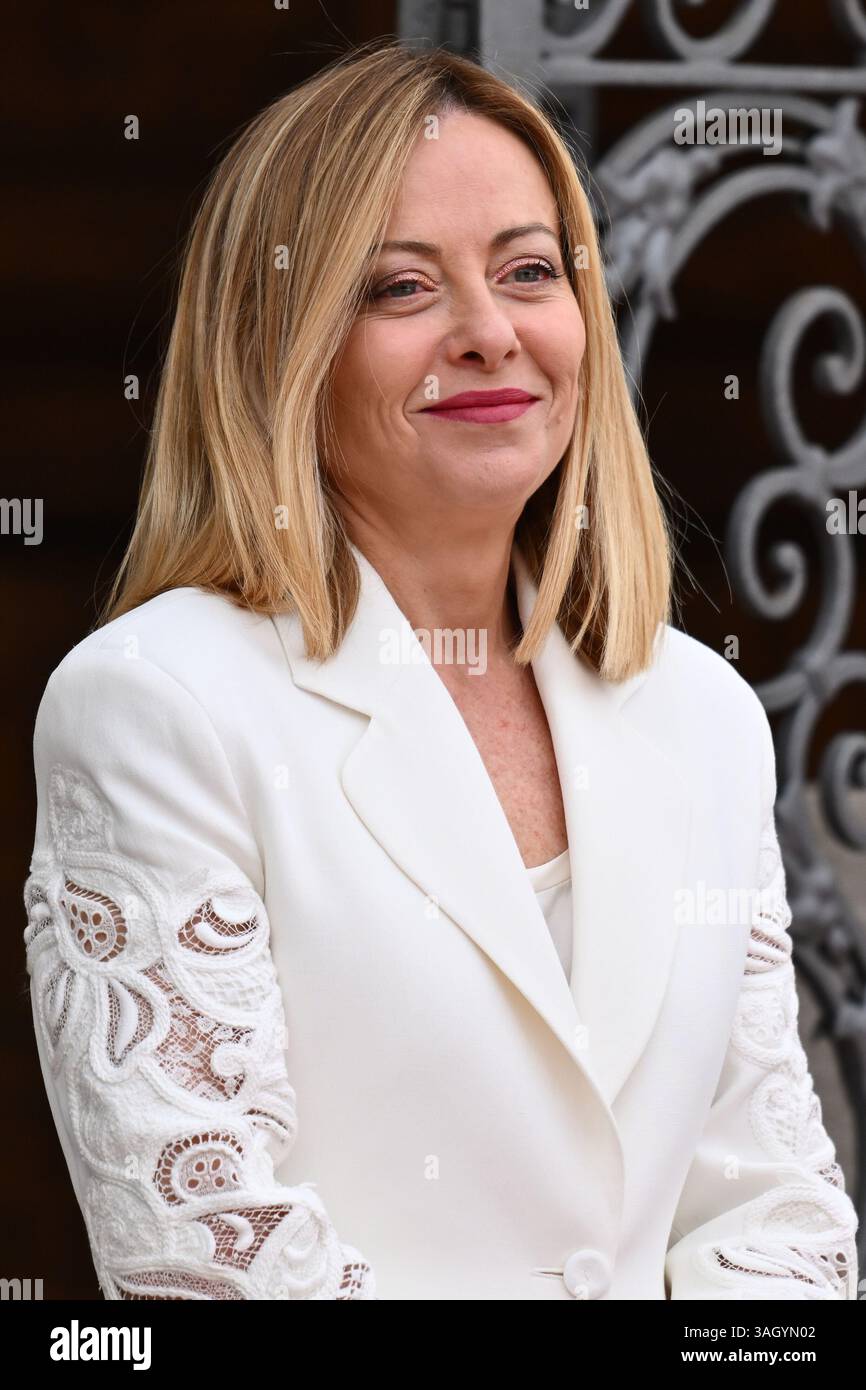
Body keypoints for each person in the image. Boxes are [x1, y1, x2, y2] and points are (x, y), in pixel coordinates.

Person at [22, 39, 858, 1301]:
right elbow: (209, 1255)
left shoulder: (702, 715)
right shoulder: (156, 704)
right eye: (399, 289)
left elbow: (773, 1204)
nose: (487, 334)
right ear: (277, 347)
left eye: (528, 271)